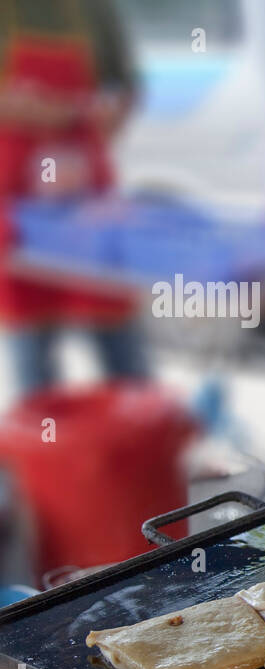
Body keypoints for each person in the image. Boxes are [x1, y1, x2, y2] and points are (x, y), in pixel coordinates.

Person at [0, 0, 146, 394]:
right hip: (17, 207)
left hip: (88, 202)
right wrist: (20, 109)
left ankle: (140, 441)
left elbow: (126, 86)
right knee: (34, 361)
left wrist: (110, 113)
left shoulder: (97, 11)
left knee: (124, 354)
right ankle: (44, 450)